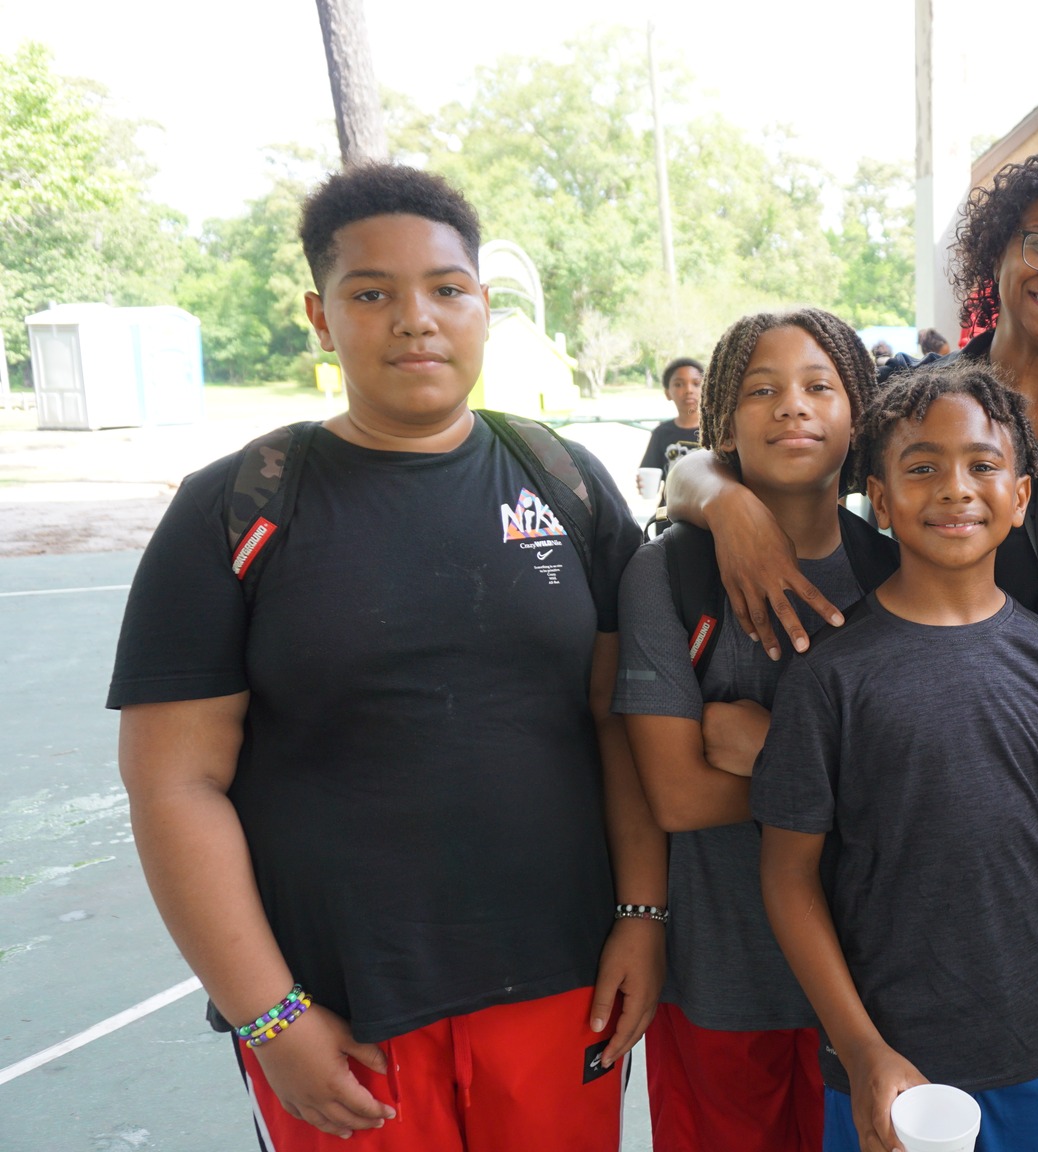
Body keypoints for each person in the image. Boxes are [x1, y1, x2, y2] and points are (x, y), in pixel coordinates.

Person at [108, 164, 664, 1151]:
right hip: (338, 1010)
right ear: (320, 318)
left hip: (561, 985)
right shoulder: (236, 506)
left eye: (446, 289)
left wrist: (642, 914)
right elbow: (175, 784)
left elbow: (616, 715)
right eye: (372, 294)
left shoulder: (564, 482)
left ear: (483, 306)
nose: (417, 320)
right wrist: (269, 1013)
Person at [668, 151, 1038, 1149]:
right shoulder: (916, 393)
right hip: (939, 762)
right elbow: (769, 440)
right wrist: (721, 499)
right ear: (995, 249)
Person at [755, 363, 1038, 1152]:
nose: (956, 489)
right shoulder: (829, 676)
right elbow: (788, 876)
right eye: (923, 468)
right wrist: (861, 1051)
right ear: (881, 501)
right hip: (891, 1069)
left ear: (1019, 498)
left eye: (982, 466)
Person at [613, 310, 886, 1152]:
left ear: (860, 417)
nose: (792, 406)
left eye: (819, 387)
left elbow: (931, 781)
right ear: (723, 424)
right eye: (762, 390)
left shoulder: (899, 568)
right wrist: (858, 777)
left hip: (875, 979)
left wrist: (769, 749)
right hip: (720, 975)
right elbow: (678, 795)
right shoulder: (669, 572)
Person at [640, 356, 704, 474]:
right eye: (678, 384)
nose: (689, 390)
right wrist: (644, 480)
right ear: (667, 393)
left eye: (696, 384)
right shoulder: (661, 433)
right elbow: (649, 472)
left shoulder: (719, 432)